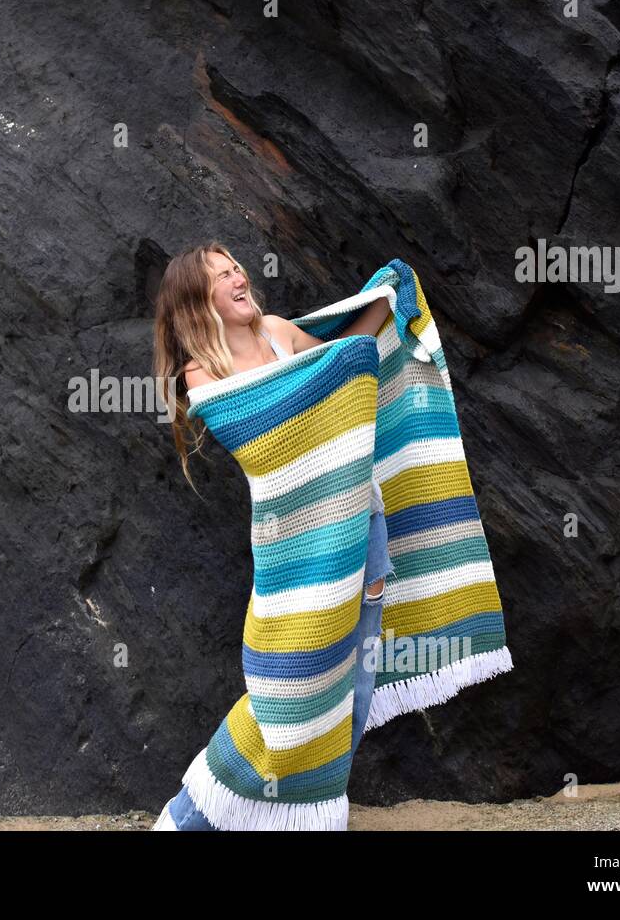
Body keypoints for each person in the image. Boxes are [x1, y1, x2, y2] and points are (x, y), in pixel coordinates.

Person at [150, 241, 394, 830]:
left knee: (354, 694)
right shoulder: (204, 376)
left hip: (363, 528)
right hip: (296, 556)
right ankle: (188, 818)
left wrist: (388, 296)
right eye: (221, 273)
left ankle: (308, 817)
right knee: (283, 701)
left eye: (237, 266)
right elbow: (280, 429)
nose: (239, 276)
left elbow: (348, 359)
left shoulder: (282, 333)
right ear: (195, 298)